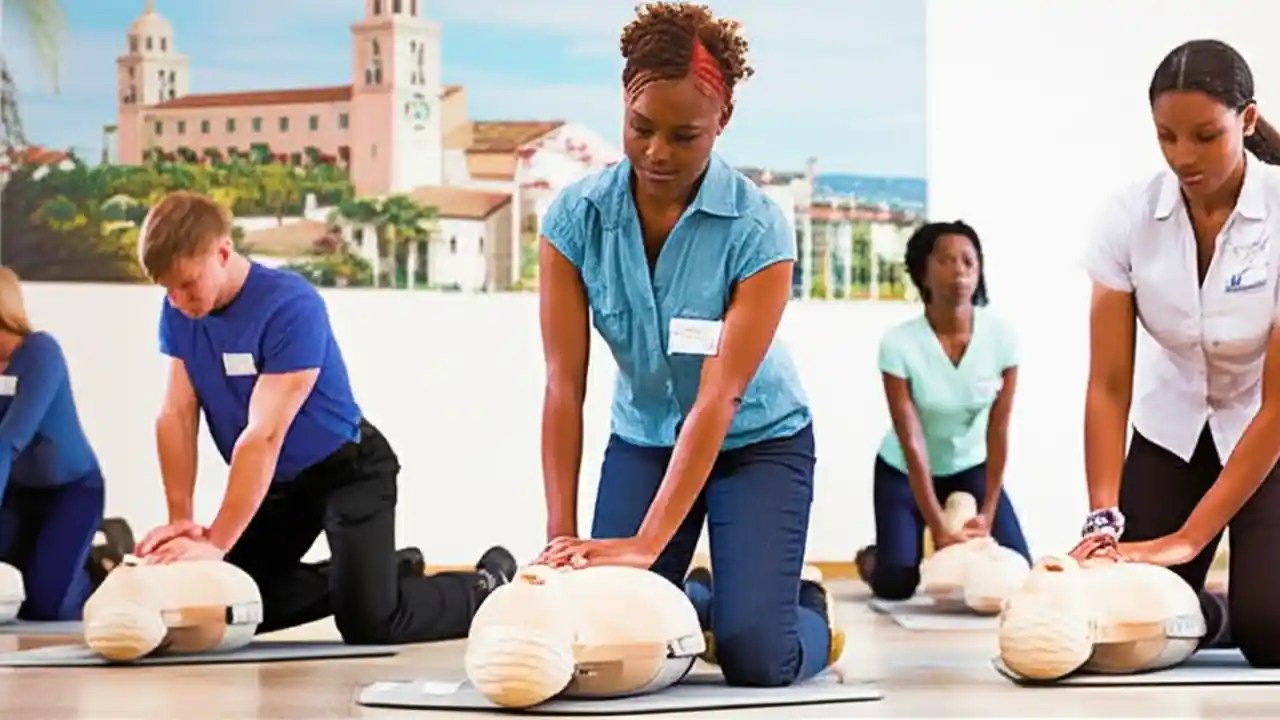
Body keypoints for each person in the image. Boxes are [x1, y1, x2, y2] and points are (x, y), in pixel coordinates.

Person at [532, 1, 840, 688]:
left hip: (758, 442)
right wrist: (561, 538)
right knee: (605, 640)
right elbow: (563, 385)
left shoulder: (758, 230)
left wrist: (645, 544)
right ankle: (705, 598)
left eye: (684, 135)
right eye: (641, 128)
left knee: (758, 658)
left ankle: (804, 606)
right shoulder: (574, 220)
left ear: (721, 123)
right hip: (644, 440)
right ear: (623, 102)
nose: (656, 153)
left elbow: (720, 395)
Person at [130, 190, 516, 645]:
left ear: (222, 252)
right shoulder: (180, 311)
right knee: (227, 608)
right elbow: (175, 415)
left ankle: (488, 583)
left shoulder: (290, 305)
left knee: (369, 624)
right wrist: (183, 524)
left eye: (188, 284)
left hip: (350, 472)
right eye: (167, 290)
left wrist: (214, 544)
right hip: (282, 486)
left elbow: (264, 434)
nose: (177, 301)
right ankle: (381, 570)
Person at [1072, 38, 1280, 667]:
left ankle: (1237, 606)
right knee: (1119, 632)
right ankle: (1212, 611)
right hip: (1172, 432)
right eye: (1166, 136)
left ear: (1246, 120)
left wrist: (1190, 539)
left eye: (1204, 136)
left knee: (1270, 635)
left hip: (1265, 436)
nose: (1182, 157)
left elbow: (1278, 406)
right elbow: (1108, 383)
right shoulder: (1127, 217)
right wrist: (1103, 516)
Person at [853, 221, 1030, 600]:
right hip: (903, 469)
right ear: (923, 271)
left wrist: (988, 509)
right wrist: (937, 525)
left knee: (1018, 568)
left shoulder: (1002, 338)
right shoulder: (899, 344)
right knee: (897, 583)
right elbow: (911, 438)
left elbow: (998, 430)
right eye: (946, 260)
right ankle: (874, 558)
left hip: (971, 465)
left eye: (968, 261)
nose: (960, 271)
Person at [0, 266, 107, 620]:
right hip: (15, 493)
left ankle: (102, 568)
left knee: (46, 608)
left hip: (71, 491)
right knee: (11, 598)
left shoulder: (42, 353)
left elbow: (9, 440)